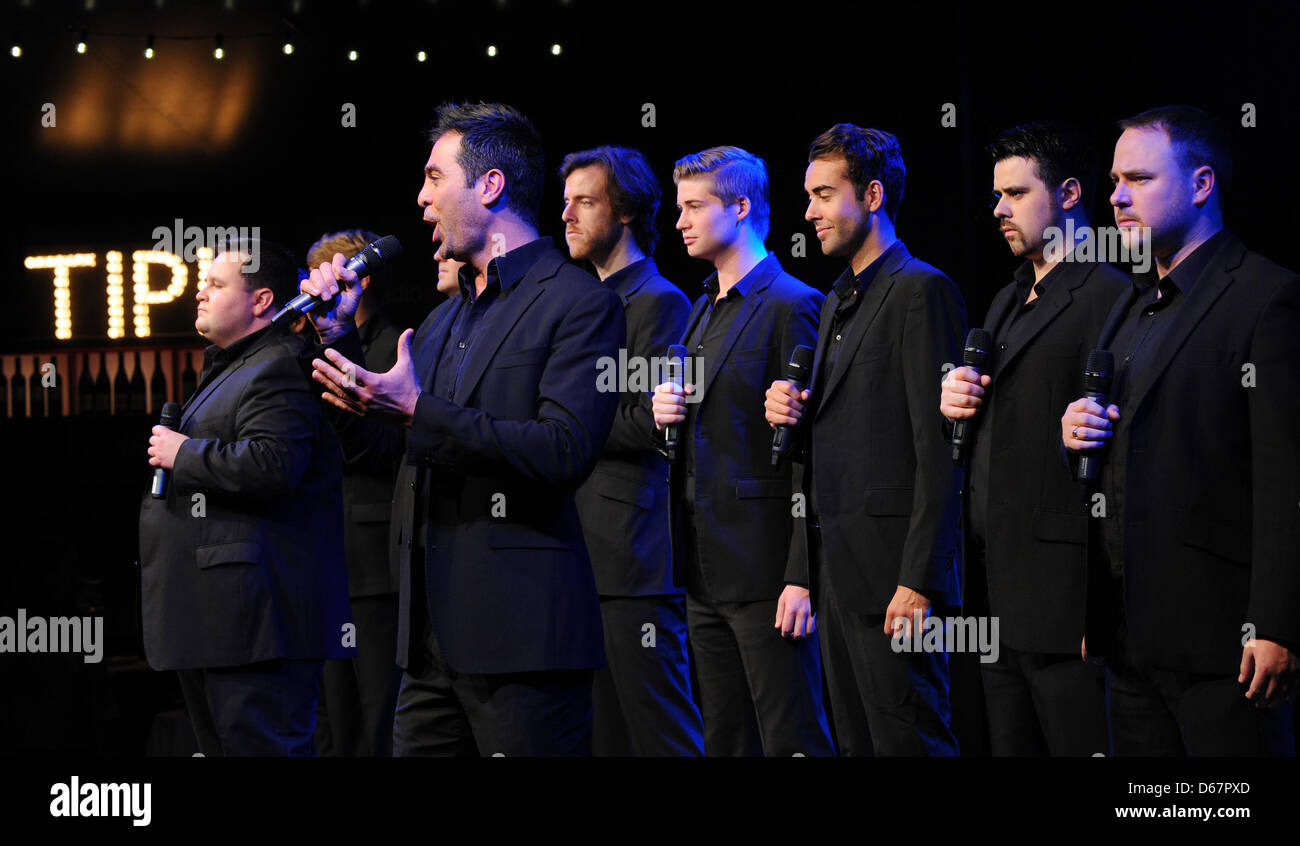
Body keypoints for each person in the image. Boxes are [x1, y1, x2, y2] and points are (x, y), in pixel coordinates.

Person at [303, 102, 625, 756]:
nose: (421, 200)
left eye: (433, 178)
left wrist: (422, 410)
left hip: (522, 641)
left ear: (490, 185)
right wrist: (337, 335)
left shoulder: (579, 303)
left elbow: (563, 451)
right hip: (427, 643)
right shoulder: (446, 320)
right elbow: (384, 448)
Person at [1061, 105, 1298, 756]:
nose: (1115, 196)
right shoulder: (1133, 305)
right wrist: (1076, 431)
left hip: (1225, 648)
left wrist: (1277, 626)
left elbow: (1285, 480)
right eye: (1113, 180)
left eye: (1137, 178)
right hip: (1129, 644)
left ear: (1200, 185)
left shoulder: (1265, 297)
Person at [765, 124, 966, 756]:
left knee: (909, 741)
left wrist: (921, 580)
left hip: (894, 583)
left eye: (824, 195)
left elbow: (940, 451)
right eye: (808, 196)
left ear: (872, 195)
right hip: (837, 579)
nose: (809, 213)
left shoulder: (921, 290)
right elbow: (829, 446)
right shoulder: (833, 303)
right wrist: (790, 415)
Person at [939, 122, 1127, 755]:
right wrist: (953, 404)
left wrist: (1095, 606)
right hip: (994, 591)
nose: (998, 210)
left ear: (1069, 193)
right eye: (997, 195)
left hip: (1062, 598)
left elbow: (1116, 457)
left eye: (1015, 194)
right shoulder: (1005, 298)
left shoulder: (1110, 294)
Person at [139, 239, 353, 756]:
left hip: (257, 627)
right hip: (217, 624)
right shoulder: (233, 367)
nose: (200, 293)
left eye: (215, 284)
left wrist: (183, 453)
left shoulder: (279, 363)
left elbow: (276, 464)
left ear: (260, 300)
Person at [651, 146, 832, 756]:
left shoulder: (794, 304)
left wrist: (800, 575)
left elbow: (812, 450)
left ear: (742, 207)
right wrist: (662, 415)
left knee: (792, 734)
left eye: (695, 206)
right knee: (726, 738)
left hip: (767, 571)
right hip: (703, 570)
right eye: (680, 208)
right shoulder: (700, 310)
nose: (680, 221)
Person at [560, 145, 704, 756]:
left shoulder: (660, 301)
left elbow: (653, 422)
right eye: (564, 202)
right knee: (600, 732)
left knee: (658, 729)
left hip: (631, 556)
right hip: (578, 550)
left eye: (584, 202)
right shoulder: (578, 300)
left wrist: (565, 425)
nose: (566, 215)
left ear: (625, 212)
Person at [306, 229, 405, 757]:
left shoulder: (395, 344)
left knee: (378, 708)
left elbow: (381, 446)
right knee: (333, 714)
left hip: (372, 557)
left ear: (357, 282)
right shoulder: (308, 348)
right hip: (327, 557)